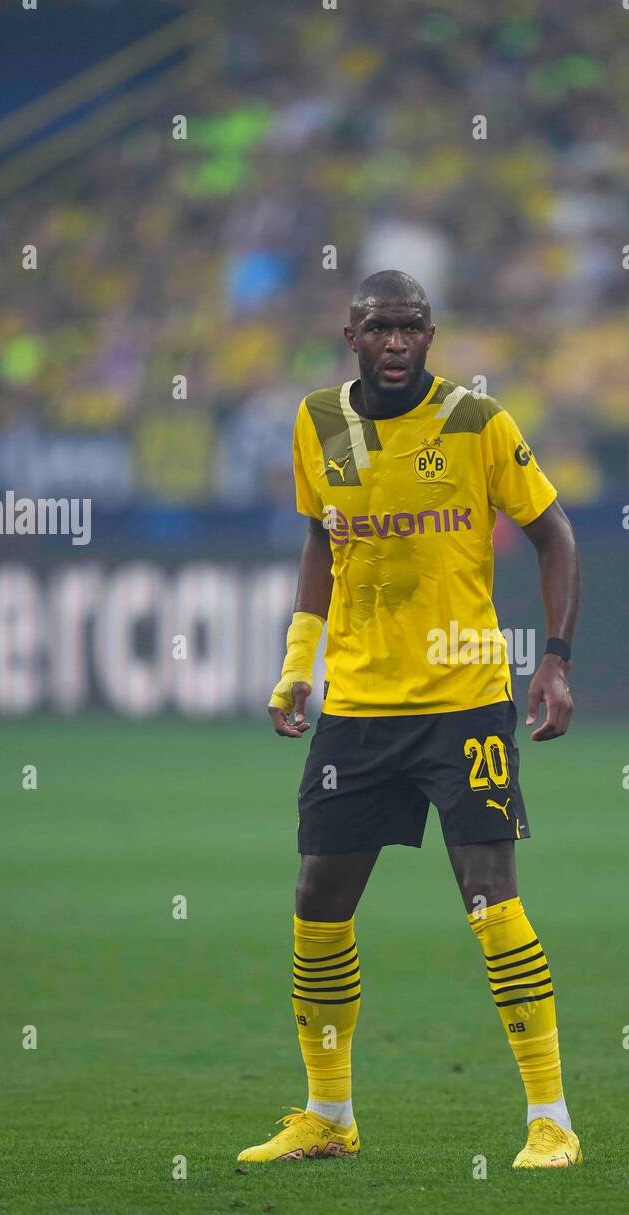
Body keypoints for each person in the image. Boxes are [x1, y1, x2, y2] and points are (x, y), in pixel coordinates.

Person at [237, 270, 582, 1169]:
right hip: (356, 705)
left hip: (464, 700)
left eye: (413, 329)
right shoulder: (316, 423)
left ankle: (552, 1120)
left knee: (489, 898)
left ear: (432, 335)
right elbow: (321, 539)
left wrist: (555, 658)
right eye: (381, 328)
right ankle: (329, 1115)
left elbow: (554, 533)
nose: (397, 343)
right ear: (350, 334)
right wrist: (293, 667)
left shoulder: (477, 422)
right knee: (318, 901)